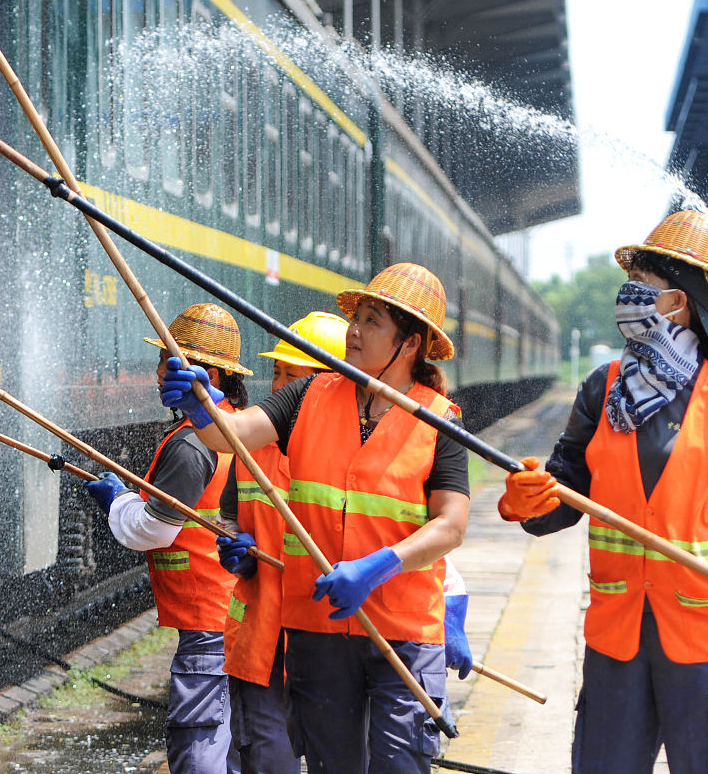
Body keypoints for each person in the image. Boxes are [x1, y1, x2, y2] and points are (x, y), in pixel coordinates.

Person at [498, 210, 708, 774]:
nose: (628, 295)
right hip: (617, 641)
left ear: (678, 302)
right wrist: (524, 502)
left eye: (643, 283)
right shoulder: (602, 390)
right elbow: (562, 494)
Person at [162, 263, 471, 773]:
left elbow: (451, 524)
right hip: (318, 627)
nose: (354, 331)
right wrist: (200, 406)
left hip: (403, 630)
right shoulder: (309, 395)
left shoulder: (440, 419)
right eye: (357, 318)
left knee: (399, 764)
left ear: (410, 343)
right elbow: (230, 434)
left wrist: (376, 568)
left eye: (371, 321)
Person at [83, 303, 251, 774]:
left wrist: (116, 500)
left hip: (208, 623)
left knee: (198, 750)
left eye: (168, 362)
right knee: (234, 749)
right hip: (237, 614)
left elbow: (153, 529)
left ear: (209, 376)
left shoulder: (192, 443)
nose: (159, 373)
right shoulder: (239, 424)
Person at [216, 311, 349, 774]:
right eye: (277, 373)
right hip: (264, 638)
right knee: (267, 756)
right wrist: (235, 550)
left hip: (330, 638)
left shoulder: (353, 456)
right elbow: (229, 519)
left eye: (294, 377)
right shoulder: (251, 447)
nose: (279, 387)